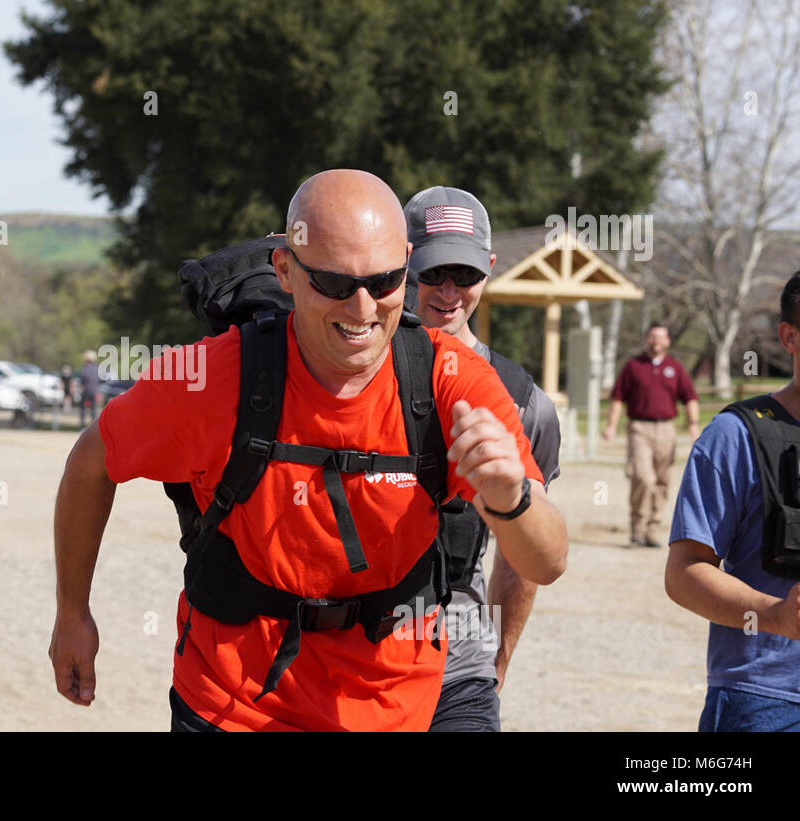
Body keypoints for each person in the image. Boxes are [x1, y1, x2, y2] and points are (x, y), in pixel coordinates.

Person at [48, 169, 567, 732]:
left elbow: (547, 561)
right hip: (231, 705)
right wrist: (72, 612)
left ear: (406, 266)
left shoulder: (452, 380)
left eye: (385, 281)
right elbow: (93, 461)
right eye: (335, 283)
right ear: (286, 271)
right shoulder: (214, 377)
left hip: (395, 708)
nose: (363, 308)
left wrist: (511, 498)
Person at [404, 186, 562, 732]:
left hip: (458, 664)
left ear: (489, 269)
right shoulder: (357, 372)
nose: (449, 291)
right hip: (355, 667)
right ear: (403, 264)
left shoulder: (523, 402)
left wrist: (498, 660)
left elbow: (522, 556)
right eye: (433, 273)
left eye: (465, 274)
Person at [666, 271, 800, 731]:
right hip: (766, 699)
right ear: (790, 337)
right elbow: (684, 573)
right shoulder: (735, 435)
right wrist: (776, 616)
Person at [604, 324, 700, 547]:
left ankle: (652, 528)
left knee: (662, 480)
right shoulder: (633, 366)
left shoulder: (675, 368)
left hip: (666, 429)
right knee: (643, 478)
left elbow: (690, 398)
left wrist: (693, 425)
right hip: (639, 428)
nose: (657, 341)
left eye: (661, 337)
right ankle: (637, 528)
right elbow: (618, 398)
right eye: (653, 336)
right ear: (647, 339)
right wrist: (611, 425)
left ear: (668, 341)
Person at [78, 350, 100, 427]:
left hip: (86, 390)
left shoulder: (85, 368)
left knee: (83, 409)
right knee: (93, 410)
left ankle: (82, 425)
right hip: (95, 391)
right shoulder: (97, 369)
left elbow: (82, 380)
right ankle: (93, 426)